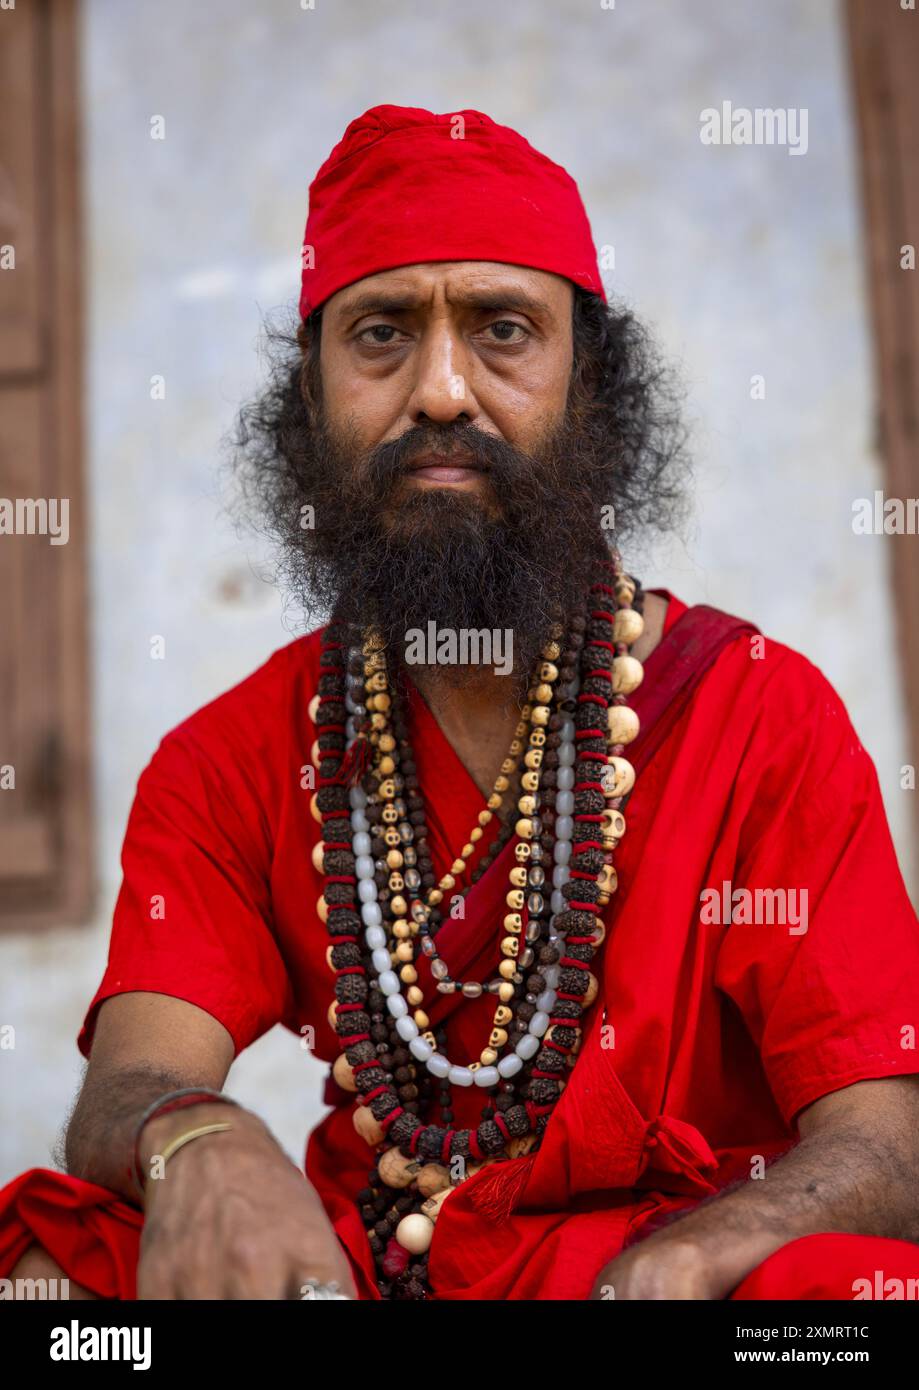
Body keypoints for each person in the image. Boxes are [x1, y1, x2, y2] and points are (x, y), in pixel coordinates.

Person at [3, 105, 918, 1302]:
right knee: (49, 1270)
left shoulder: (759, 716)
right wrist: (201, 1144)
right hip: (379, 1272)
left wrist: (707, 1248)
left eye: (501, 331)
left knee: (842, 1302)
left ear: (588, 385)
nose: (441, 391)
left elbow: (887, 1144)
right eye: (381, 334)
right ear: (312, 395)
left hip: (669, 1278)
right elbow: (130, 1083)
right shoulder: (230, 756)